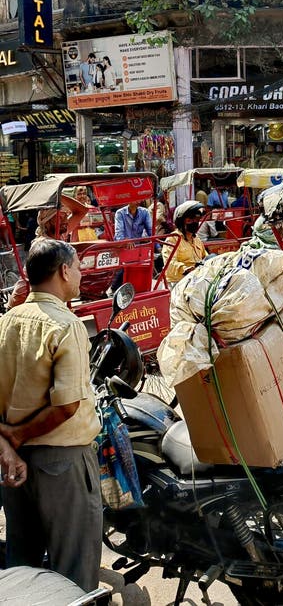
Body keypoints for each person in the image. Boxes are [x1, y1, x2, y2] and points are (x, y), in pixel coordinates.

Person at [0, 239, 102, 591]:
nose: (80, 274)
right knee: (72, 573)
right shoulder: (66, 325)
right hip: (62, 463)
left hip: (15, 466)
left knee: (22, 571)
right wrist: (18, 436)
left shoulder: (7, 321)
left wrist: (10, 443)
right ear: (63, 271)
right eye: (77, 267)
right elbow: (67, 406)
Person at [162, 200, 208, 285]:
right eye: (190, 220)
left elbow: (206, 257)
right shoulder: (173, 239)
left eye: (196, 219)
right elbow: (170, 264)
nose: (194, 222)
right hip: (179, 282)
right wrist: (186, 269)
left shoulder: (196, 239)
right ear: (181, 222)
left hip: (197, 278)